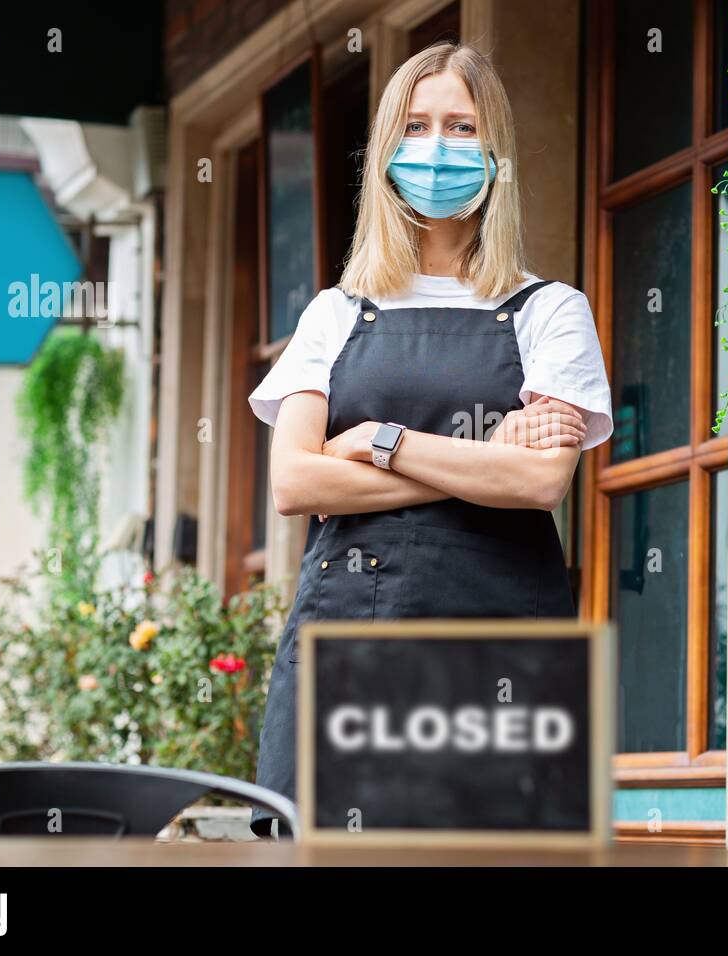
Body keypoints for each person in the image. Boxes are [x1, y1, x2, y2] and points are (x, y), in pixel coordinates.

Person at [246, 41, 612, 835]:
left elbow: (541, 484)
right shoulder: (333, 313)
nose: (436, 149)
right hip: (346, 643)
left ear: (495, 153)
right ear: (384, 154)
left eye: (460, 127)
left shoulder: (552, 311)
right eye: (414, 127)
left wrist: (373, 438)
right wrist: (486, 458)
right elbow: (293, 485)